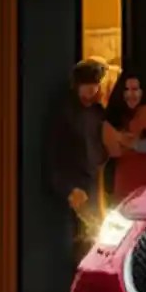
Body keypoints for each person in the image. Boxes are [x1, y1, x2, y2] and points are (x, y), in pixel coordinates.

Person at [46, 59, 110, 260]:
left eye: (95, 85)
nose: (92, 90)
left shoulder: (99, 112)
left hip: (98, 183)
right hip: (75, 187)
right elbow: (54, 157)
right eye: (87, 85)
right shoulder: (65, 114)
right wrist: (68, 188)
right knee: (82, 243)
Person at [103, 68, 146, 201]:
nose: (130, 94)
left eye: (135, 89)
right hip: (125, 180)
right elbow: (112, 151)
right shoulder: (113, 118)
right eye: (126, 90)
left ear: (142, 92)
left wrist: (134, 144)